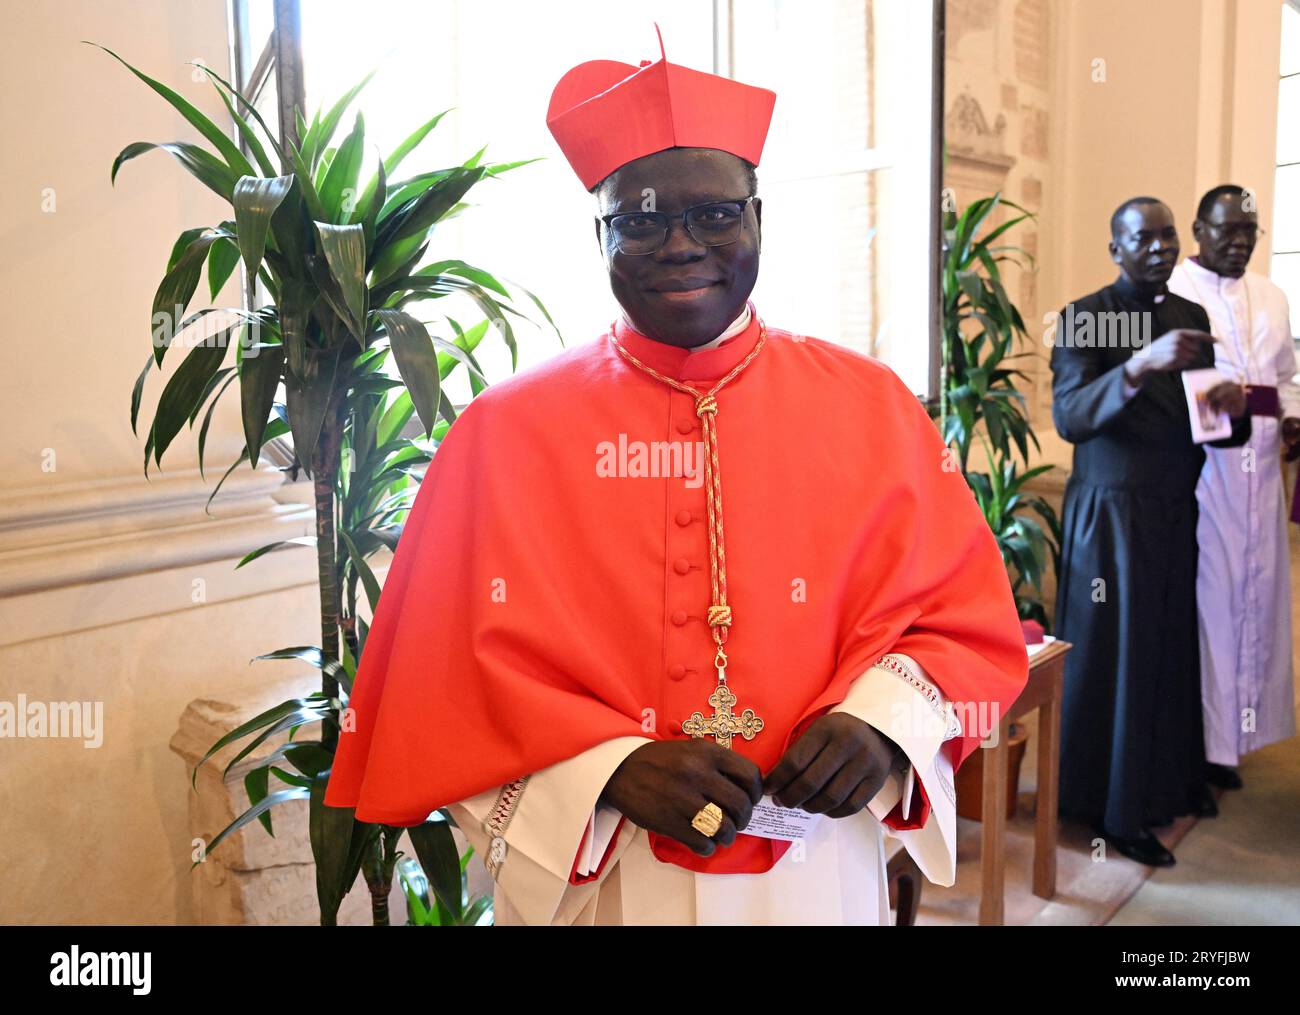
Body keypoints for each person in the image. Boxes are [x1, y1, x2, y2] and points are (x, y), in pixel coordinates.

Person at [324, 29, 1028, 925]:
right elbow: (439, 685)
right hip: (608, 880)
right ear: (600, 235)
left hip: (812, 872)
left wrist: (886, 724)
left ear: (760, 219)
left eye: (715, 214)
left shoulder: (871, 406)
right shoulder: (501, 434)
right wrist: (604, 765)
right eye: (642, 220)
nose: (680, 244)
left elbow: (964, 627)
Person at [1050, 196, 1250, 868]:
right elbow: (1072, 416)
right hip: (1111, 516)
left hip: (1172, 508)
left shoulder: (1190, 316)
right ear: (1116, 249)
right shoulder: (1086, 316)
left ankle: (1166, 783)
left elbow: (1213, 426)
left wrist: (1233, 409)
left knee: (1166, 650)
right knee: (1124, 656)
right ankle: (1113, 809)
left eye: (1169, 236)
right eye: (1146, 238)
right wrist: (1137, 365)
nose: (1161, 247)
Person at [1168, 184, 1300, 790]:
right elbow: (1176, 390)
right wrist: (1239, 403)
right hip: (1205, 476)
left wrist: (1293, 418)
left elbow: (1286, 379)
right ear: (1199, 230)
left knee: (1260, 597)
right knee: (1212, 605)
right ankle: (1205, 743)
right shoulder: (1174, 292)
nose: (1239, 242)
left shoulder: (1272, 296)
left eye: (1250, 233)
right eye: (1226, 231)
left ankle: (1242, 736)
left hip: (1264, 475)